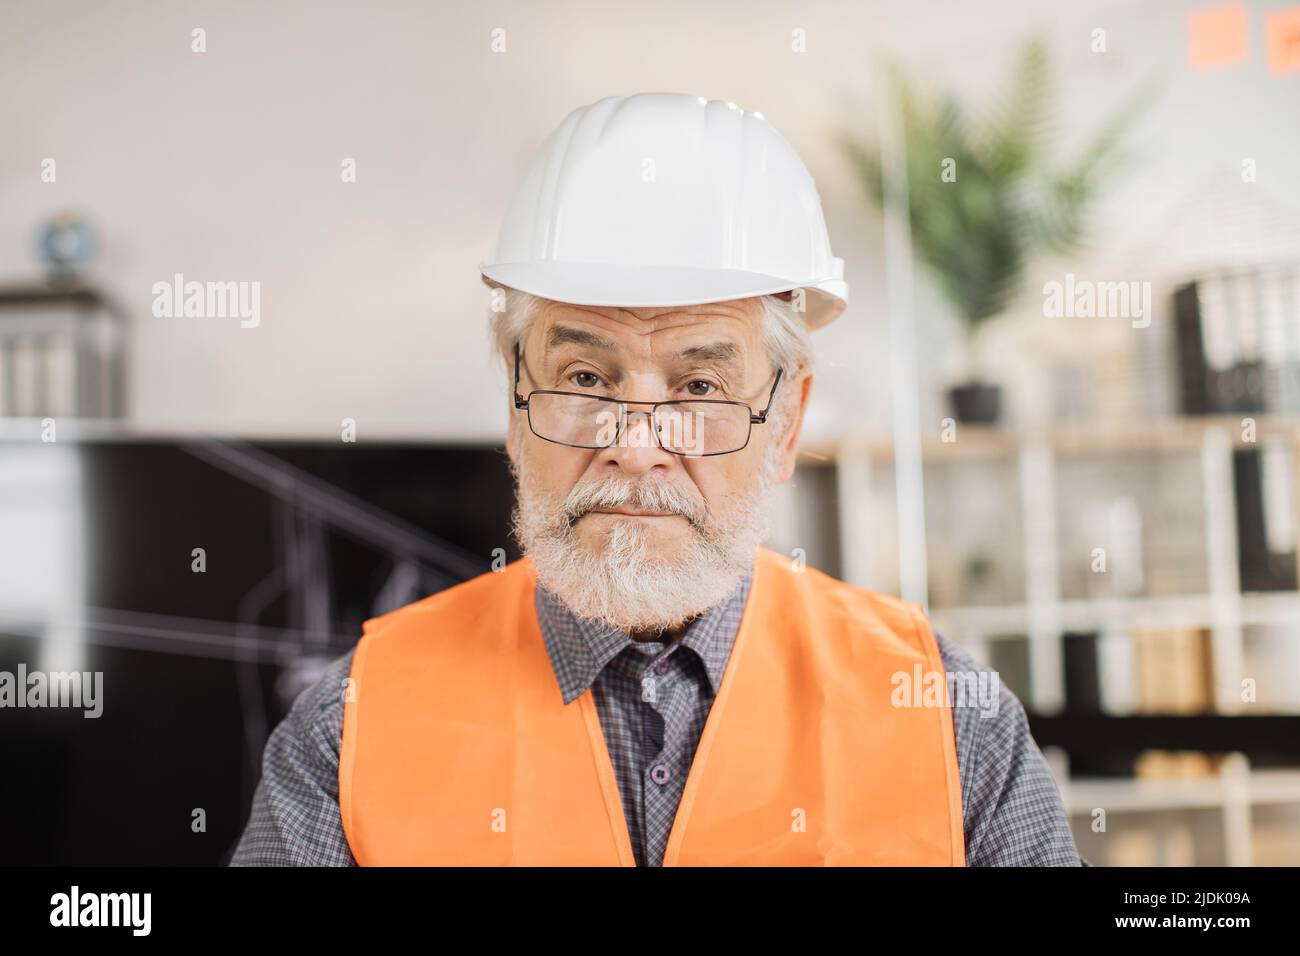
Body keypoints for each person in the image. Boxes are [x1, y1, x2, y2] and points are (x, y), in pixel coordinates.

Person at [230, 92, 1082, 866]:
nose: (635, 447)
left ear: (784, 424)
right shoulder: (352, 726)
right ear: (516, 405)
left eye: (699, 388)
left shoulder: (947, 719)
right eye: (587, 381)